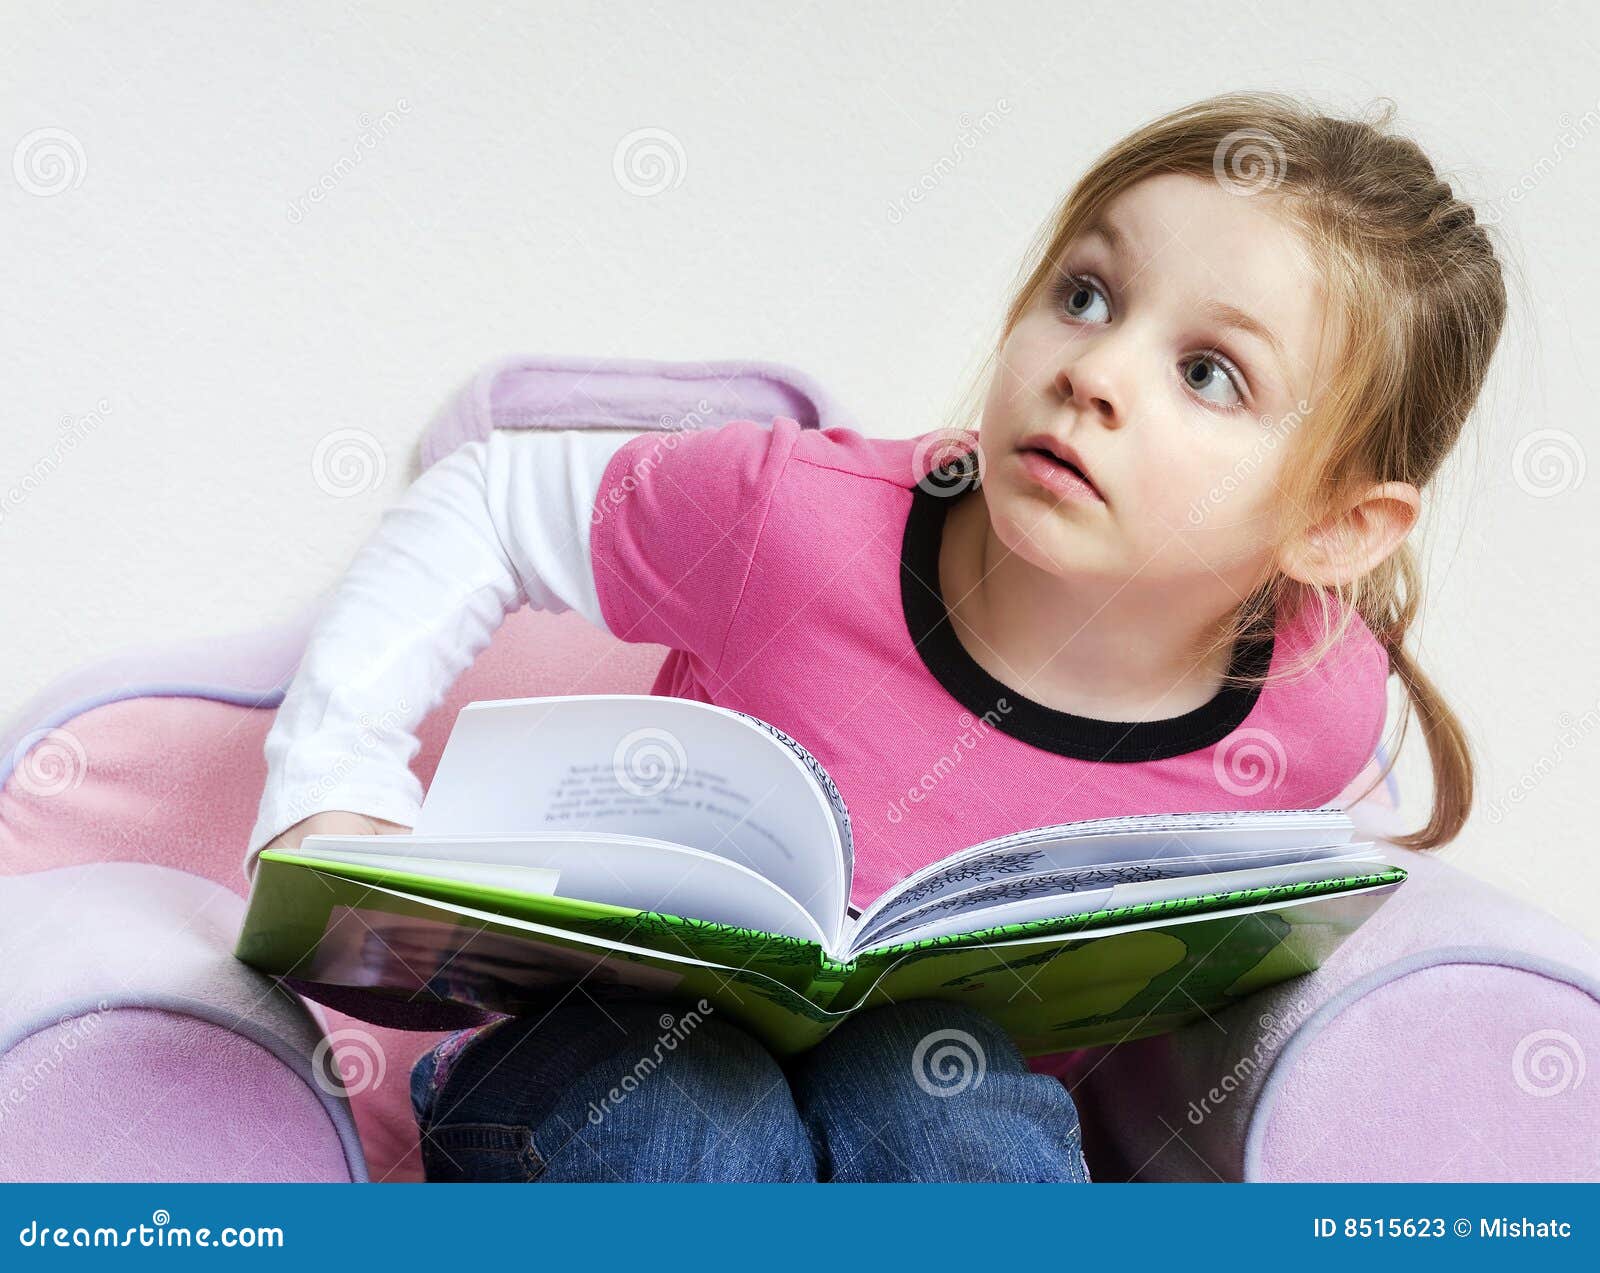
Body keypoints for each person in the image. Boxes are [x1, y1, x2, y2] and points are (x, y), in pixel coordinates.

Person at [245, 90, 1507, 1182]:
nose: (1094, 369)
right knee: (698, 1113)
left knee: (939, 1097)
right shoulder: (794, 519)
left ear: (1339, 529)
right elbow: (484, 500)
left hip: (922, 1099)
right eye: (1085, 294)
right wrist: (333, 778)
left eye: (1209, 373)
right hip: (603, 1066)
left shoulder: (1307, 709)